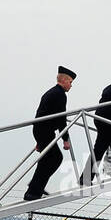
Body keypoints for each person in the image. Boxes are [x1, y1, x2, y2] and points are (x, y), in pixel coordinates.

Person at [24, 67, 76, 201]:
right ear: (64, 80)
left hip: (41, 130)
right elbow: (61, 118)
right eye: (70, 82)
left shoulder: (51, 92)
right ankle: (35, 189)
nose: (71, 85)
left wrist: (39, 139)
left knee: (46, 160)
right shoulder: (60, 94)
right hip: (45, 130)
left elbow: (41, 114)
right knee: (56, 158)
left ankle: (34, 189)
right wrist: (66, 139)